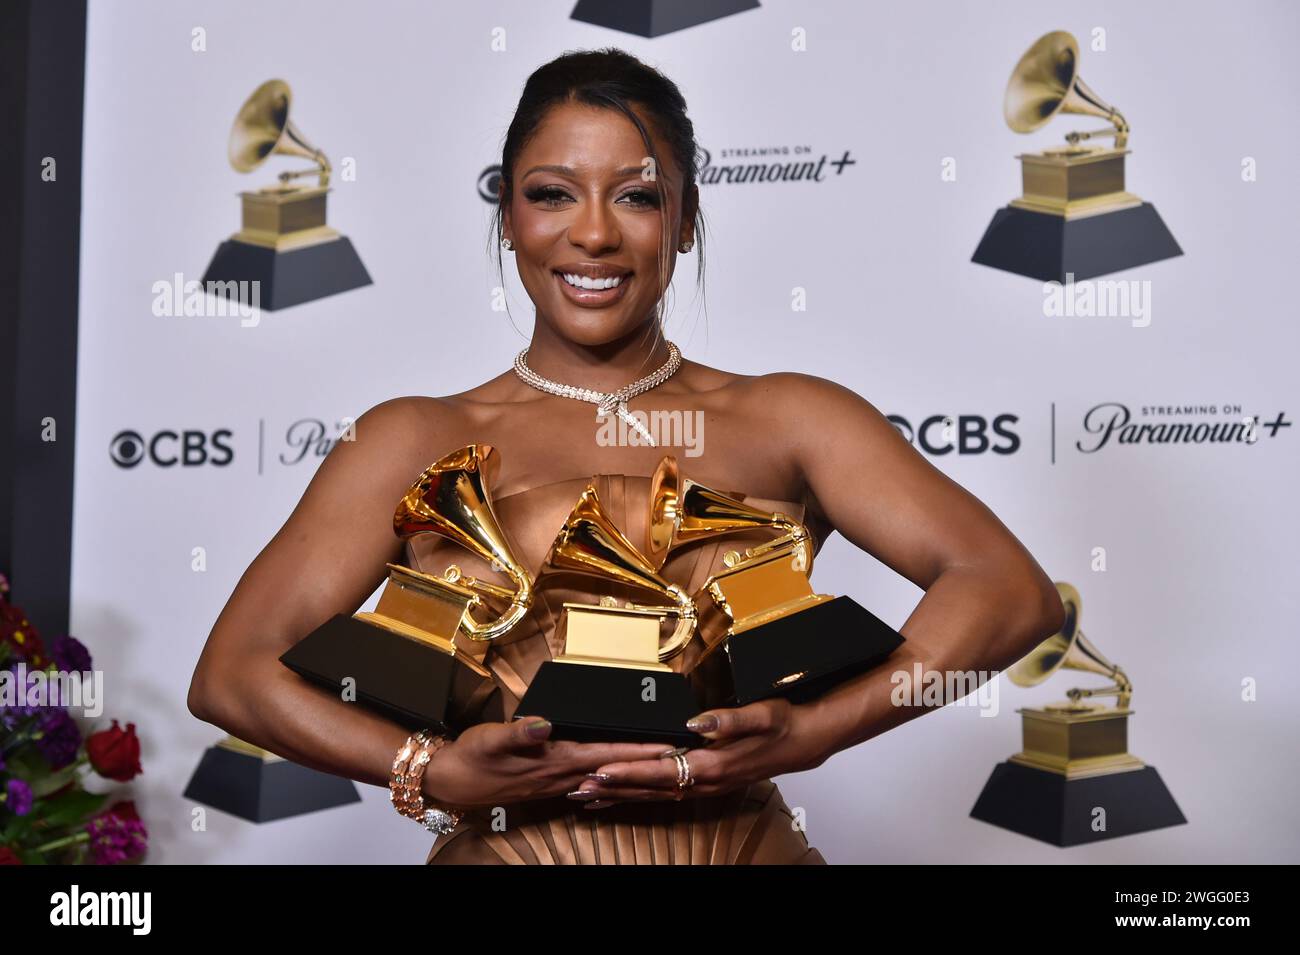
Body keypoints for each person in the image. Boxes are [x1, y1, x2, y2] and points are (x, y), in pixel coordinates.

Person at [187, 47, 1065, 864]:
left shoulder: (791, 417)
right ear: (507, 218)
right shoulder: (410, 437)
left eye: (638, 196)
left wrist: (813, 732)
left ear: (684, 222)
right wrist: (429, 769)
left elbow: (1007, 589)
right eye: (553, 193)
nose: (595, 235)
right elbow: (233, 672)